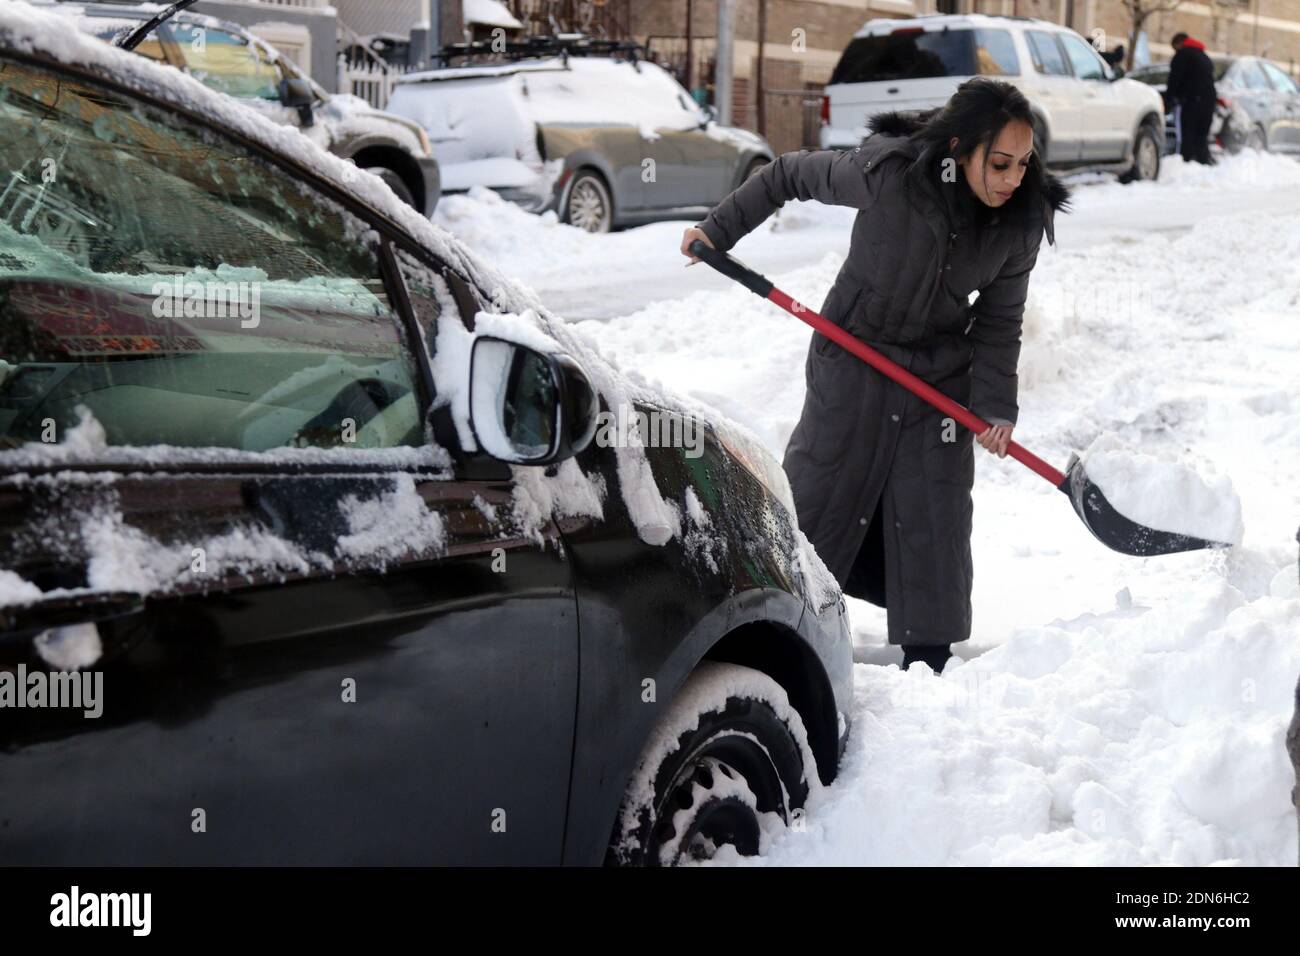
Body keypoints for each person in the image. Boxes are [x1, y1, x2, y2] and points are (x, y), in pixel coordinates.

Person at [680, 79, 1069, 674]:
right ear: (960, 148)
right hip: (854, 360)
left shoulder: (1018, 224)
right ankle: (774, 637)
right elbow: (788, 174)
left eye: (1023, 163)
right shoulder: (889, 174)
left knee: (933, 522)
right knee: (819, 504)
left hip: (938, 382)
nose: (1012, 179)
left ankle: (930, 671)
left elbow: (998, 322)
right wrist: (717, 231)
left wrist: (995, 407)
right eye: (999, 163)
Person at [1166, 32, 1217, 165]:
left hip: (1192, 102)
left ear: (1179, 44)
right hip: (1209, 101)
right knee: (1201, 136)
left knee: (1187, 135)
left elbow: (1174, 79)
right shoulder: (1204, 56)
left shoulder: (1182, 55)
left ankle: (1186, 163)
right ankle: (1203, 163)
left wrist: (1169, 99)